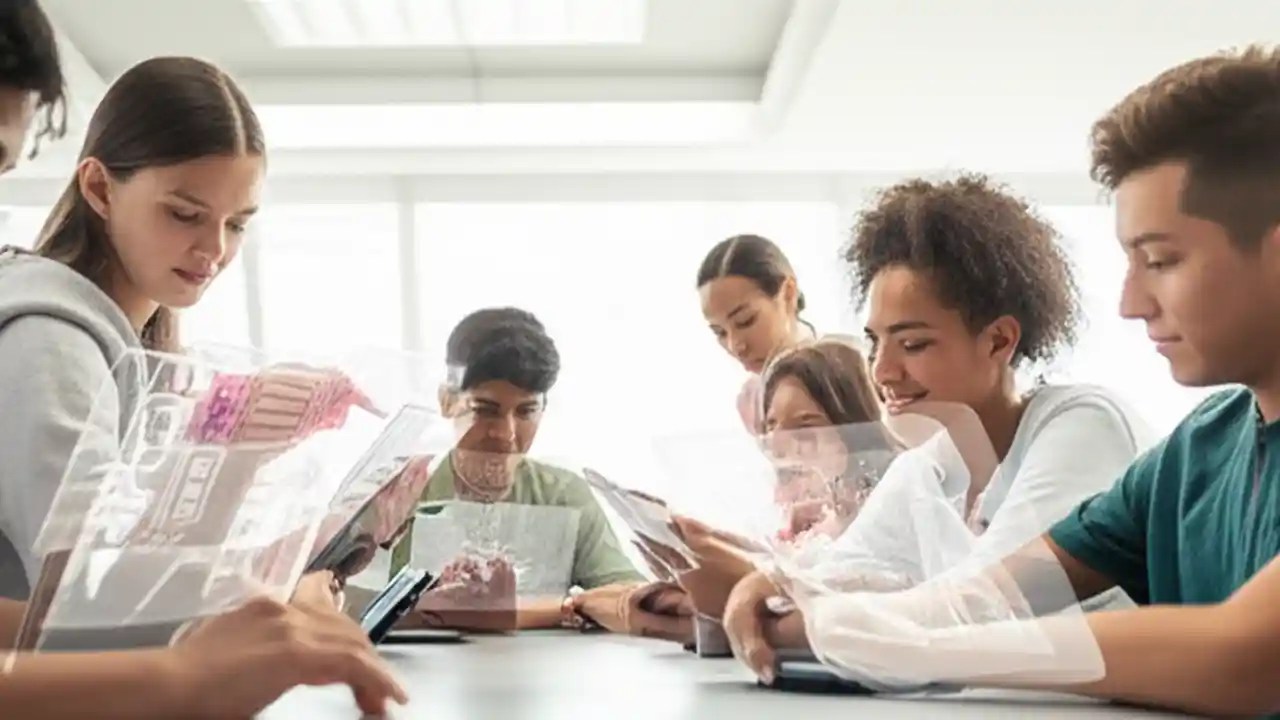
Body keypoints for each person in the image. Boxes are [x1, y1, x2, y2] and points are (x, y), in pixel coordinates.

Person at [725, 45, 1280, 719]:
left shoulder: (1089, 426)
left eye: (1161, 260)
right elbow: (982, 600)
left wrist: (912, 649)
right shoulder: (1197, 451)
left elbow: (1251, 656)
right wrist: (797, 605)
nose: (1131, 302)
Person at [0, 31, 404, 717]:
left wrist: (277, 516)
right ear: (99, 187)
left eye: (238, 224)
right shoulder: (50, 336)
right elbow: (81, 591)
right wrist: (268, 563)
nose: (213, 249)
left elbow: (130, 571)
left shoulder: (127, 342)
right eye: (184, 214)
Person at [393, 307, 646, 630]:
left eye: (526, 412)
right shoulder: (401, 492)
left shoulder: (563, 495)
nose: (506, 434)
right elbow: (356, 613)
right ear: (446, 401)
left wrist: (508, 614)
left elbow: (629, 597)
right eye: (486, 410)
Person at [697, 234, 816, 433]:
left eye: (745, 321)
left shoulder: (858, 371)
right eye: (720, 333)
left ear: (788, 294)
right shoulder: (750, 401)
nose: (736, 346)